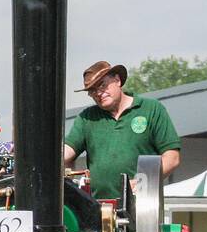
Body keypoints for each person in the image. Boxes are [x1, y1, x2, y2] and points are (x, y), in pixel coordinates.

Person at [61, 60, 181, 200]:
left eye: (102, 85)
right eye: (92, 91)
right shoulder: (87, 118)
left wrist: (143, 182)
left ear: (117, 80)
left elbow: (172, 158)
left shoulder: (151, 109)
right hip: (98, 207)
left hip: (143, 206)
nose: (99, 93)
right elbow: (66, 153)